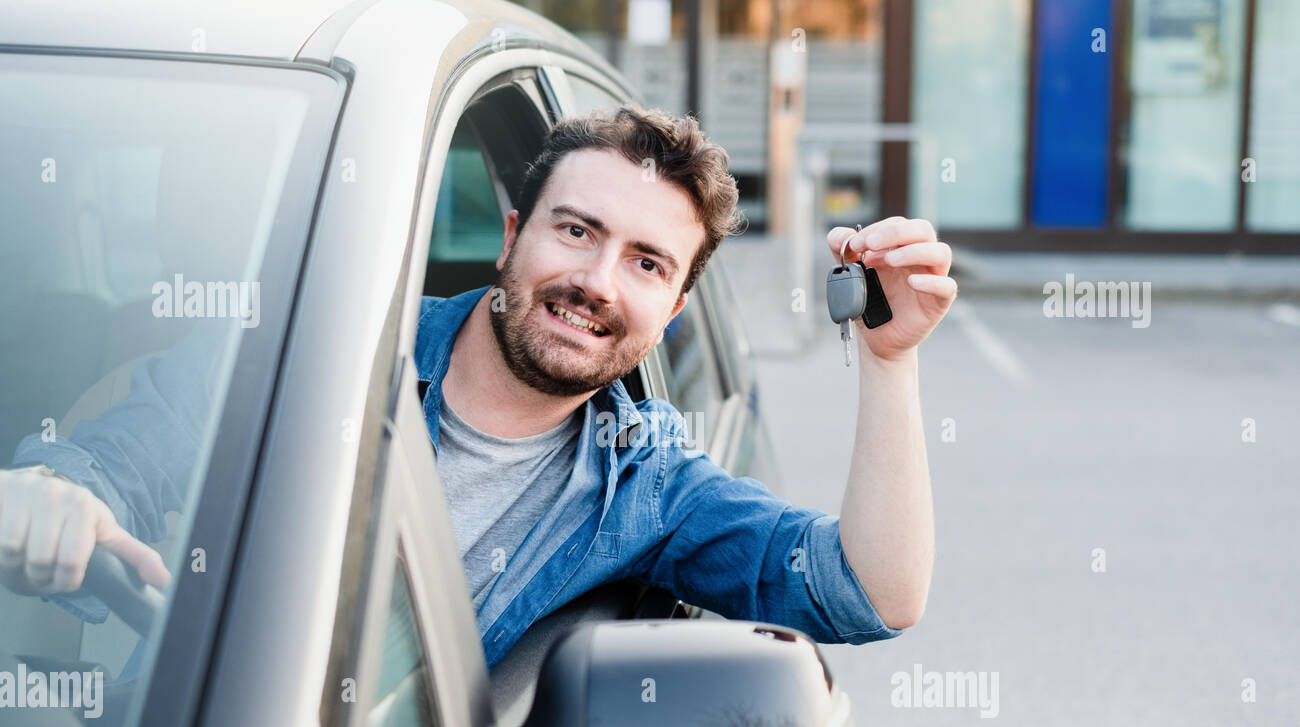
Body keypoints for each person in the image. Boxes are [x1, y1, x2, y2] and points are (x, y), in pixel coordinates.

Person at [0, 106, 956, 670]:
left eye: (647, 263)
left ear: (672, 314)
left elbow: (869, 592)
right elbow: (117, 457)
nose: (597, 282)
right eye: (575, 232)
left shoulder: (648, 486)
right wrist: (56, 498)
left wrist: (890, 361)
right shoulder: (304, 353)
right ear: (510, 236)